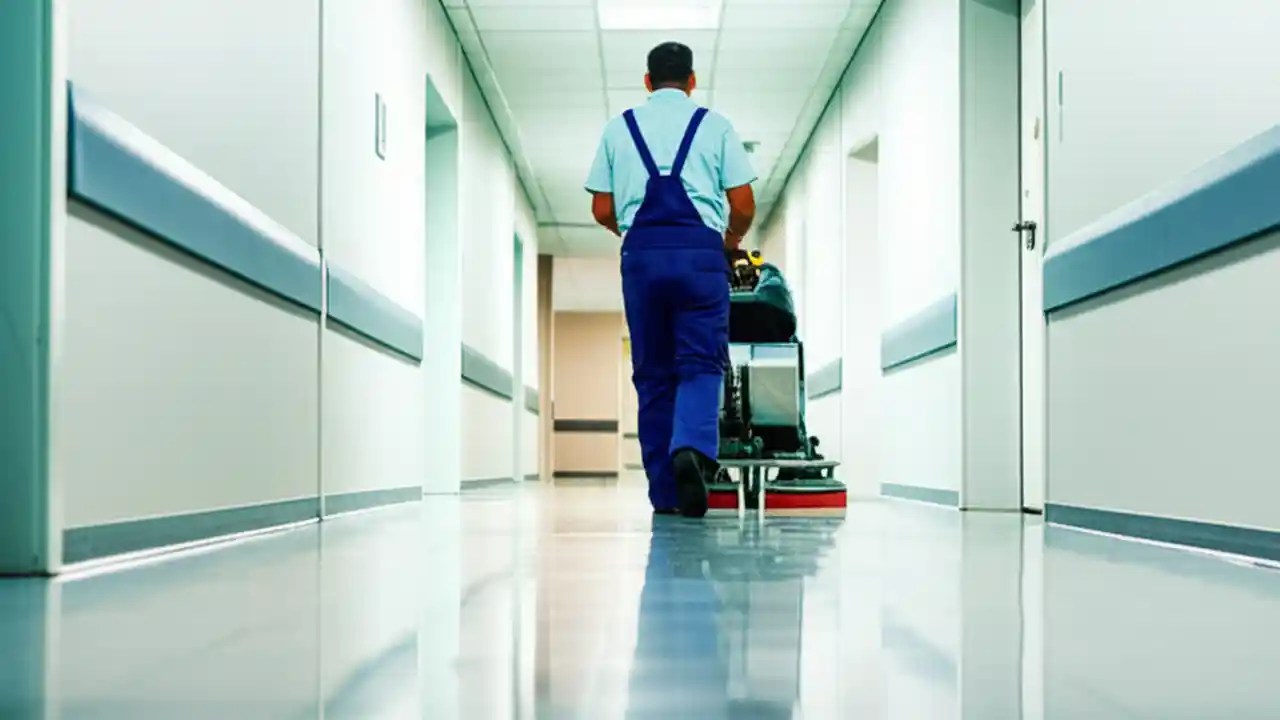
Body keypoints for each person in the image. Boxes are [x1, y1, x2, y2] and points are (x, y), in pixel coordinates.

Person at [585, 41, 757, 518]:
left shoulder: (619, 129)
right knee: (701, 362)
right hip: (701, 255)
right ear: (692, 80)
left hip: (642, 257)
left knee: (653, 373)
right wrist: (730, 237)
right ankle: (691, 450)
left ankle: (664, 493)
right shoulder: (716, 126)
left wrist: (637, 232)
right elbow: (742, 204)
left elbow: (600, 208)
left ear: (647, 81)